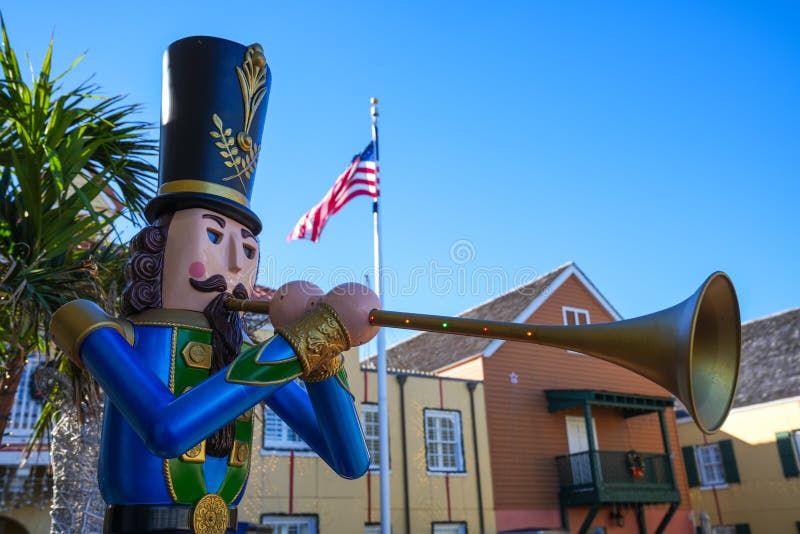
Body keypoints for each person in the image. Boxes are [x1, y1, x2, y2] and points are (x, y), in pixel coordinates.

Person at [49, 36, 377, 534]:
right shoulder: (97, 327)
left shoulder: (240, 355)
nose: (237, 263)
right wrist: (302, 341)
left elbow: (350, 460)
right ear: (160, 244)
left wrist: (323, 356)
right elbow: (165, 429)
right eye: (214, 236)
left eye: (249, 249)